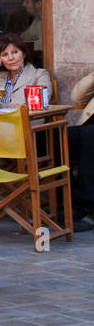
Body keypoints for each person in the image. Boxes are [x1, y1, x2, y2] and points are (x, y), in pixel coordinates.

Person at [0, 33, 51, 108]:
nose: (10, 58)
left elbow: (39, 102)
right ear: (0, 58)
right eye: (5, 54)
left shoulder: (39, 75)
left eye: (15, 52)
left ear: (24, 54)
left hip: (23, 123)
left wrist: (0, 106)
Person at [67, 71, 94, 232]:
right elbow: (76, 98)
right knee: (50, 137)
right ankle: (65, 200)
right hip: (87, 129)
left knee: (90, 135)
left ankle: (88, 207)